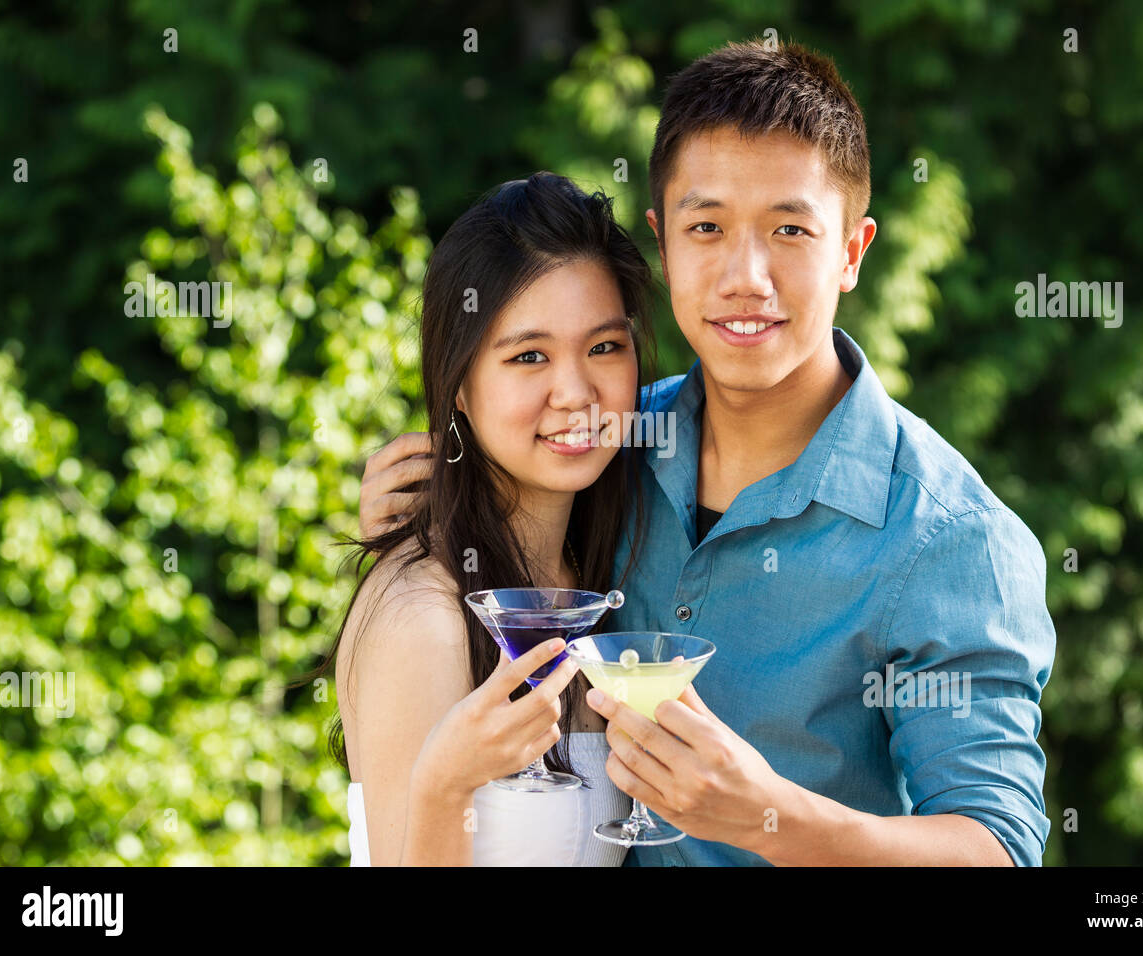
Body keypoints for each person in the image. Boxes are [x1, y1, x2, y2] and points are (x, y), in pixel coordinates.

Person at [363, 40, 1056, 866]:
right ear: (663, 240)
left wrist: (769, 814)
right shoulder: (607, 446)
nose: (745, 276)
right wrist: (426, 501)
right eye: (708, 227)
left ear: (852, 252)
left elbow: (998, 847)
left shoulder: (949, 539)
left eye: (790, 229)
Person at [308, 171, 661, 865]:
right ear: (459, 386)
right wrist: (444, 784)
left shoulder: (600, 573)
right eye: (529, 356)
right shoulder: (424, 615)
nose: (576, 392)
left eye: (604, 347)